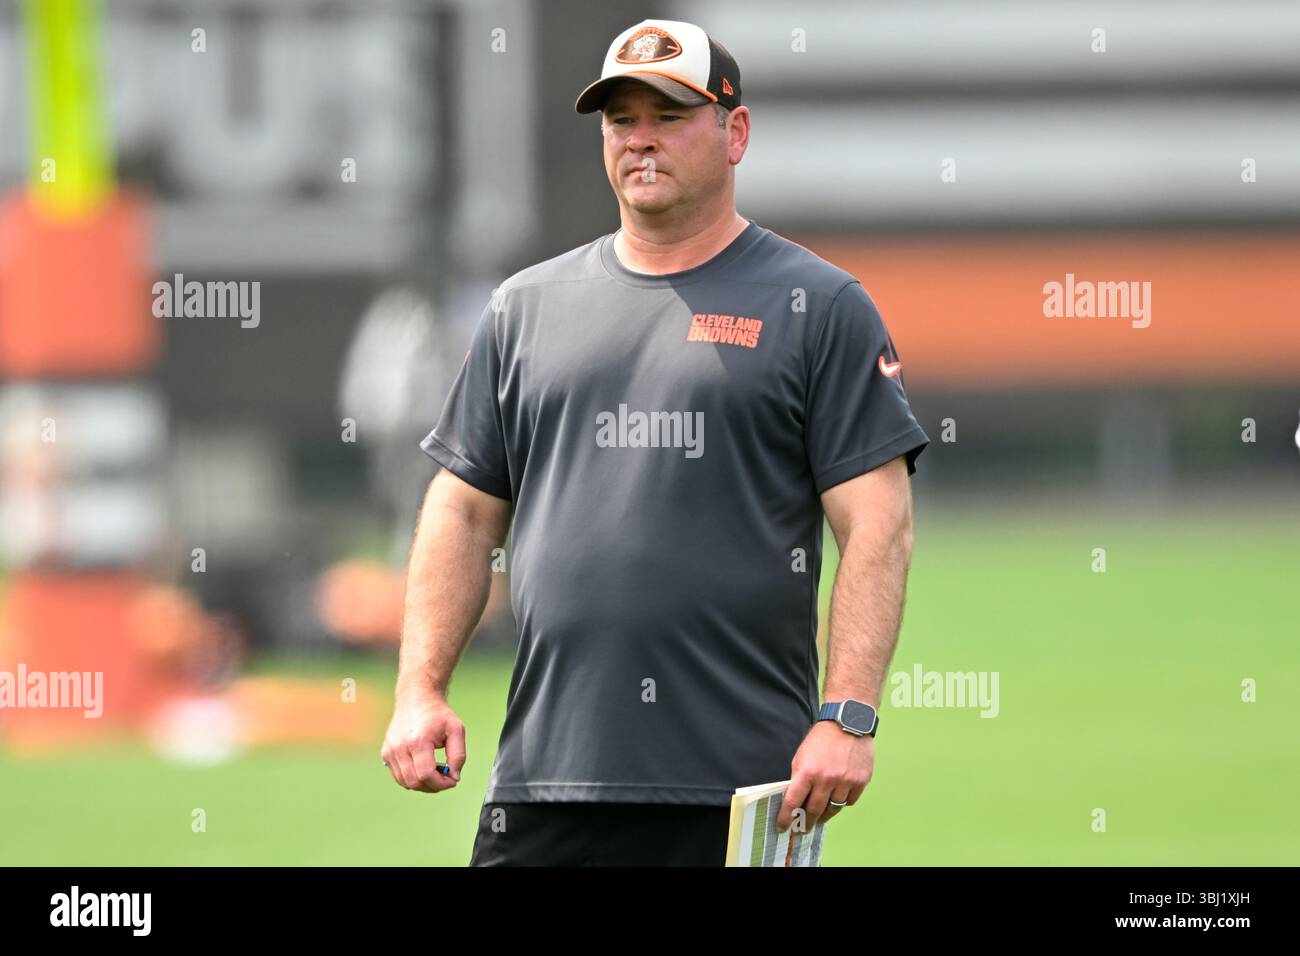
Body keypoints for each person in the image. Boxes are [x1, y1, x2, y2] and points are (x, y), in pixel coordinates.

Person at [381, 18, 930, 866]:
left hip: (744, 785)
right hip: (545, 781)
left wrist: (847, 715)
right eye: (620, 120)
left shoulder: (818, 306)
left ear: (735, 131)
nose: (640, 139)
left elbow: (878, 524)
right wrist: (420, 690)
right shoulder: (526, 308)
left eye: (669, 115)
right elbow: (460, 510)